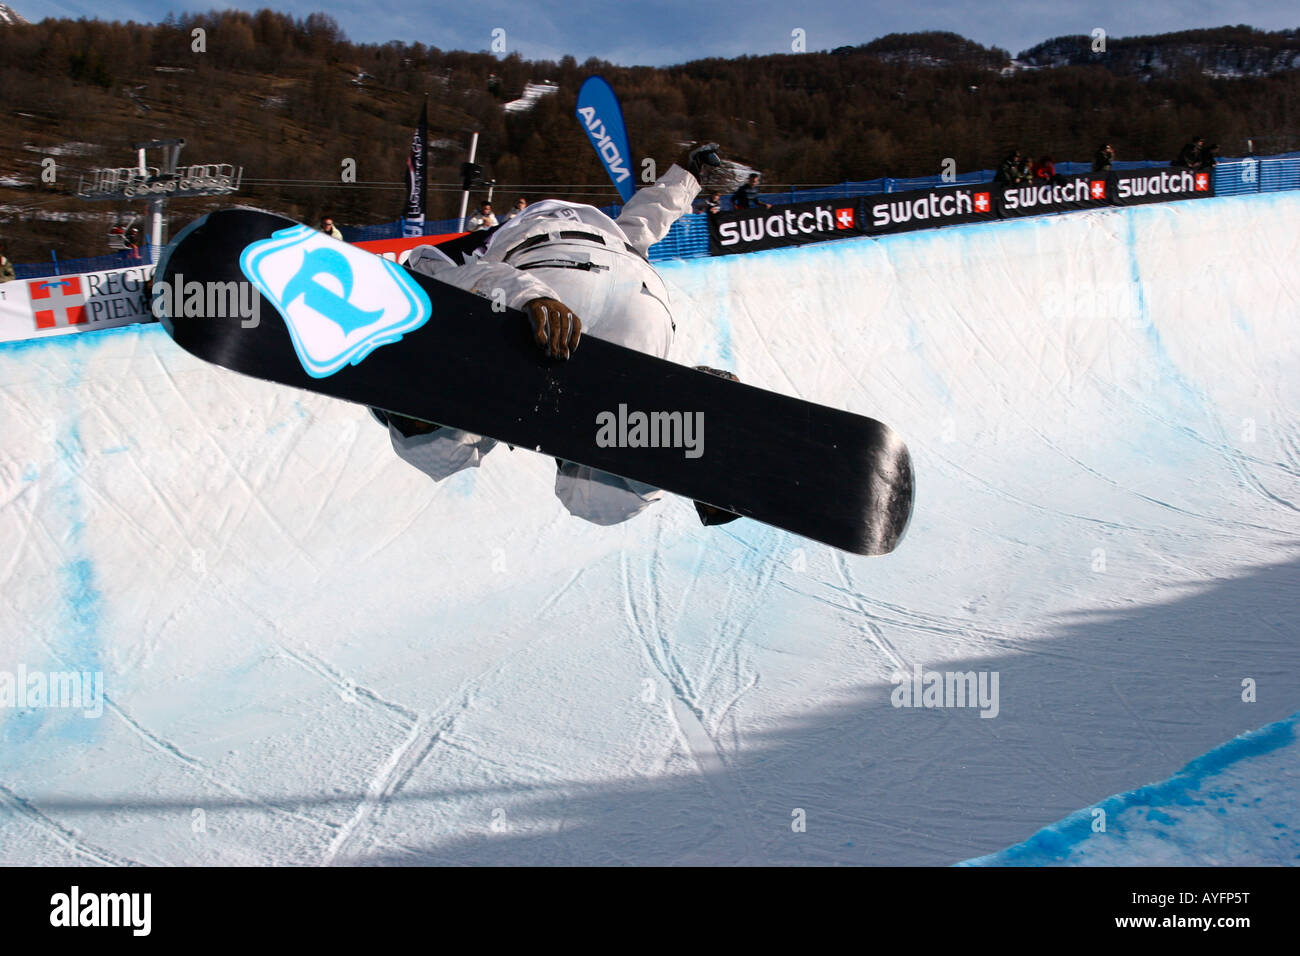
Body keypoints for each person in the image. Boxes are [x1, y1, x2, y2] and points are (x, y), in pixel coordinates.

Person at [372, 142, 738, 528]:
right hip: (641, 298)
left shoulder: (491, 237)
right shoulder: (610, 230)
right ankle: (678, 441)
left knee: (444, 451)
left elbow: (427, 270)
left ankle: (418, 414)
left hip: (549, 282)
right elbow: (648, 217)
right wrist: (688, 175)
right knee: (595, 487)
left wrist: (529, 295)